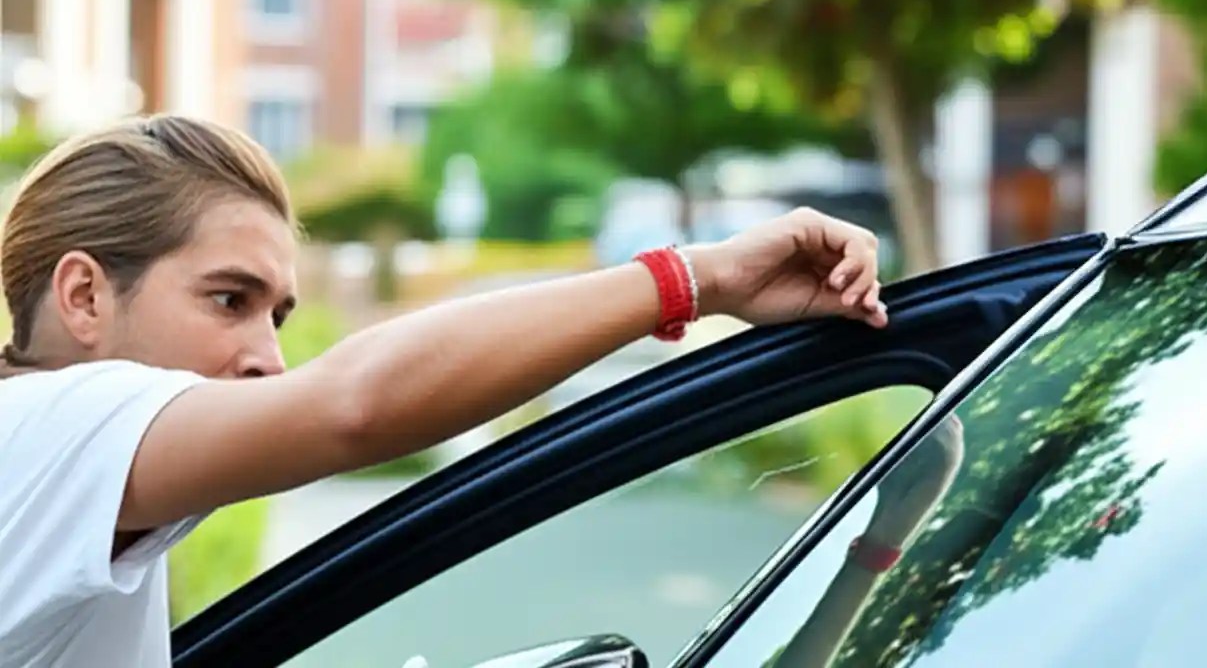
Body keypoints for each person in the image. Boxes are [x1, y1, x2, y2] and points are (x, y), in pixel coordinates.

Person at [0, 115, 889, 667]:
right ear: (83, 296)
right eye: (230, 300)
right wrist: (699, 281)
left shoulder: (74, 479)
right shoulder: (45, 428)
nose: (269, 357)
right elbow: (353, 405)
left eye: (278, 314)